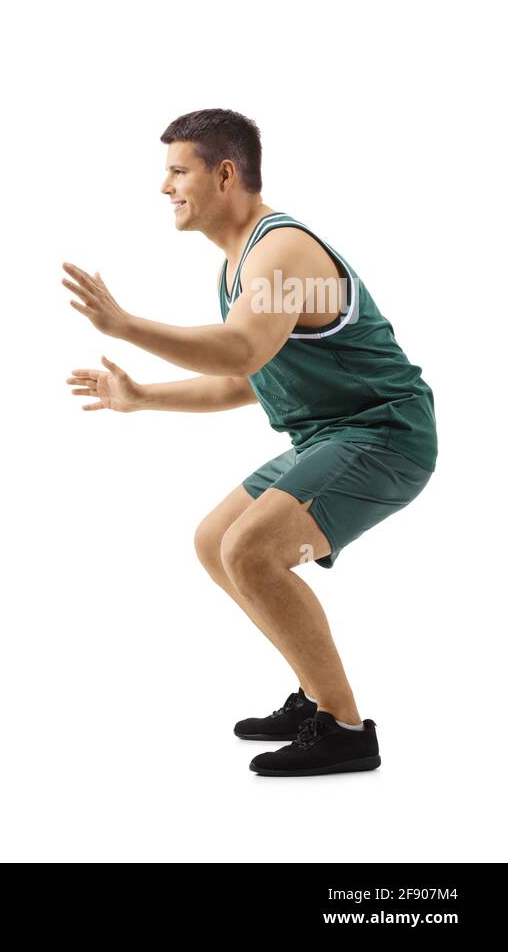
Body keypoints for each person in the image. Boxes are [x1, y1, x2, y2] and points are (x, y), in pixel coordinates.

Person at [62, 109, 436, 777]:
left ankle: (345, 729)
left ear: (225, 174)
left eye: (178, 171)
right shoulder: (234, 268)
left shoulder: (281, 251)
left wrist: (124, 324)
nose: (165, 187)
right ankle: (314, 695)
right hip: (330, 435)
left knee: (252, 549)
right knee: (216, 541)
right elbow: (244, 376)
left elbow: (240, 347)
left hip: (386, 433)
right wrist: (141, 396)